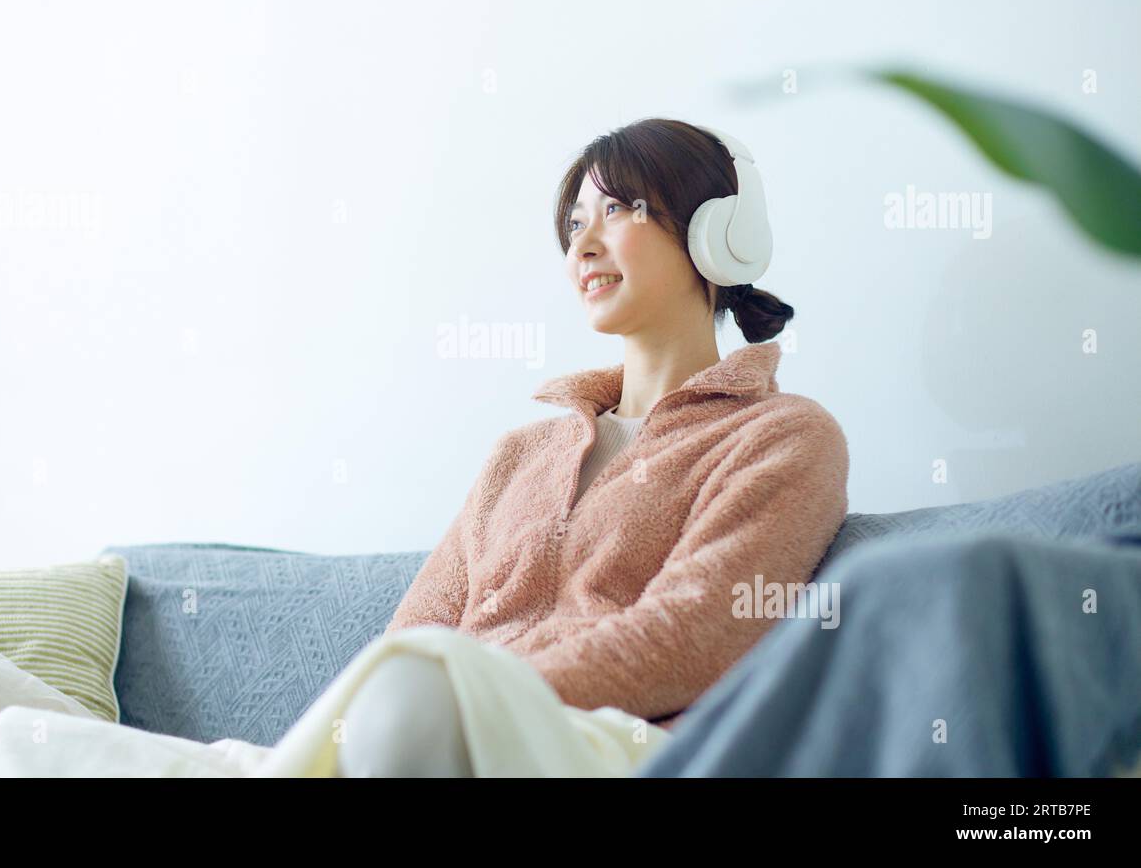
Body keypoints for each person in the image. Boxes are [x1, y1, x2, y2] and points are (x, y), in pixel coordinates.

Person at [336, 118, 851, 777]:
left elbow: (692, 634)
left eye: (615, 209)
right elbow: (413, 639)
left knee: (409, 705)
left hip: (614, 746)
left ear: (716, 233)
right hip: (433, 730)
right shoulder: (518, 455)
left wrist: (478, 695)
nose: (585, 244)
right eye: (576, 224)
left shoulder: (780, 436)